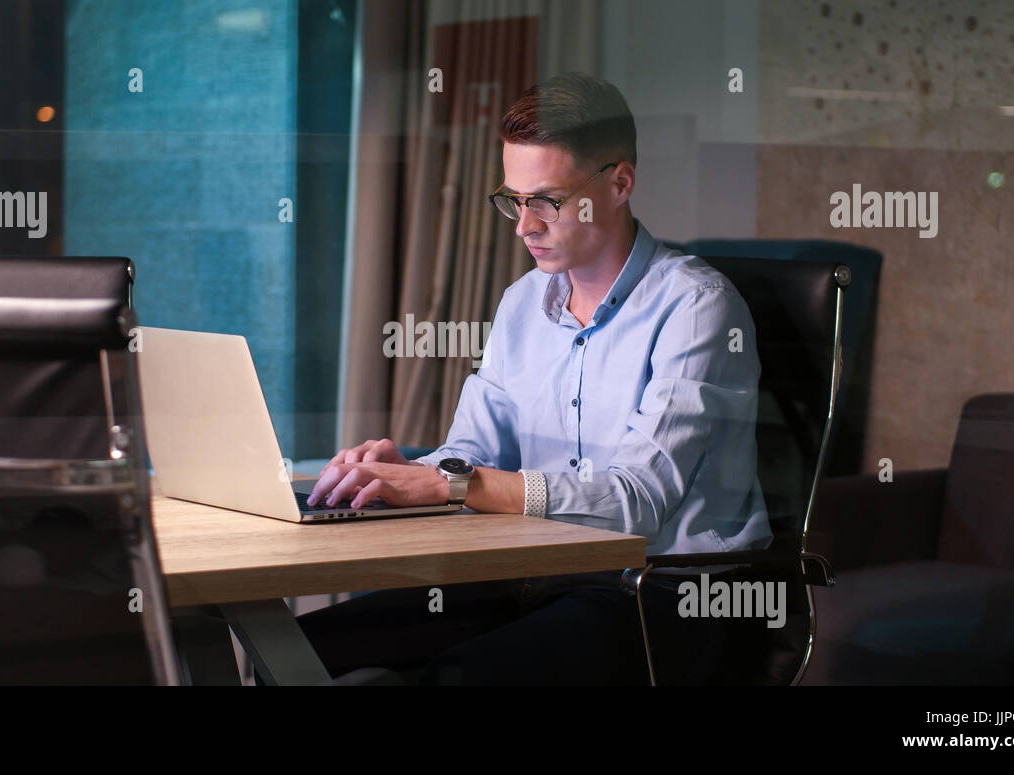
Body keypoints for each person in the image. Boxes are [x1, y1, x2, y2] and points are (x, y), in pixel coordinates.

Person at [299, 72, 770, 685]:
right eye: (514, 201)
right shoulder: (524, 301)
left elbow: (638, 502)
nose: (524, 226)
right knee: (296, 649)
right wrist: (417, 471)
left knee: (458, 677)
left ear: (620, 182)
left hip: (660, 593)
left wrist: (453, 485)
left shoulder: (697, 306)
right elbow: (473, 455)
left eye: (546, 201)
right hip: (528, 572)